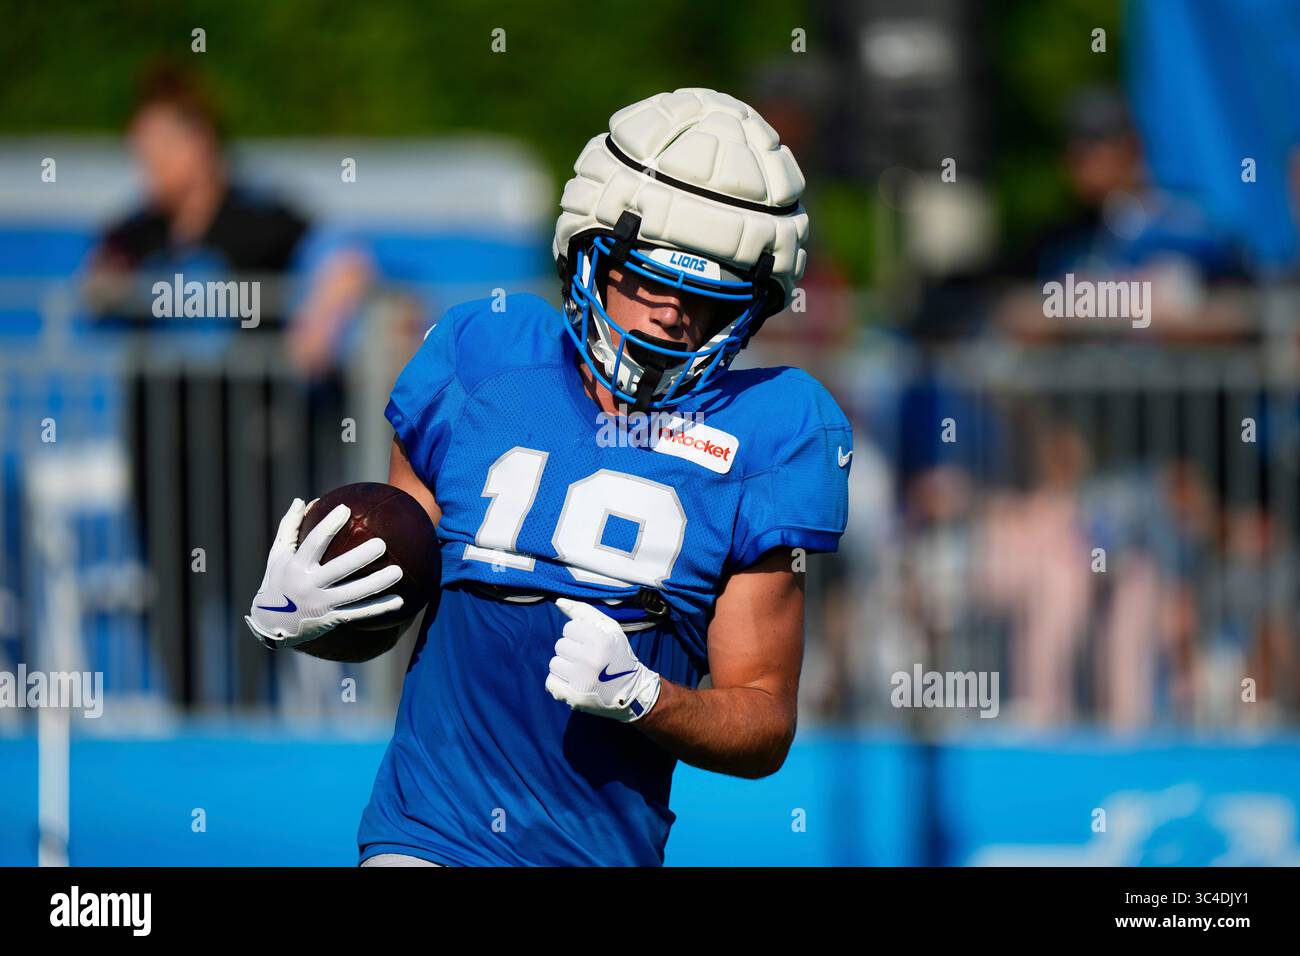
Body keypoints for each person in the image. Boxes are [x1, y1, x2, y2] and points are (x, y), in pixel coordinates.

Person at [244, 89, 852, 865]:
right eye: (651, 281)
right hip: (431, 831)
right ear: (589, 252)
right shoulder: (488, 358)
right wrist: (305, 618)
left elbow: (764, 722)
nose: (673, 317)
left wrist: (645, 699)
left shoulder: (770, 431)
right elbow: (391, 597)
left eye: (706, 301)